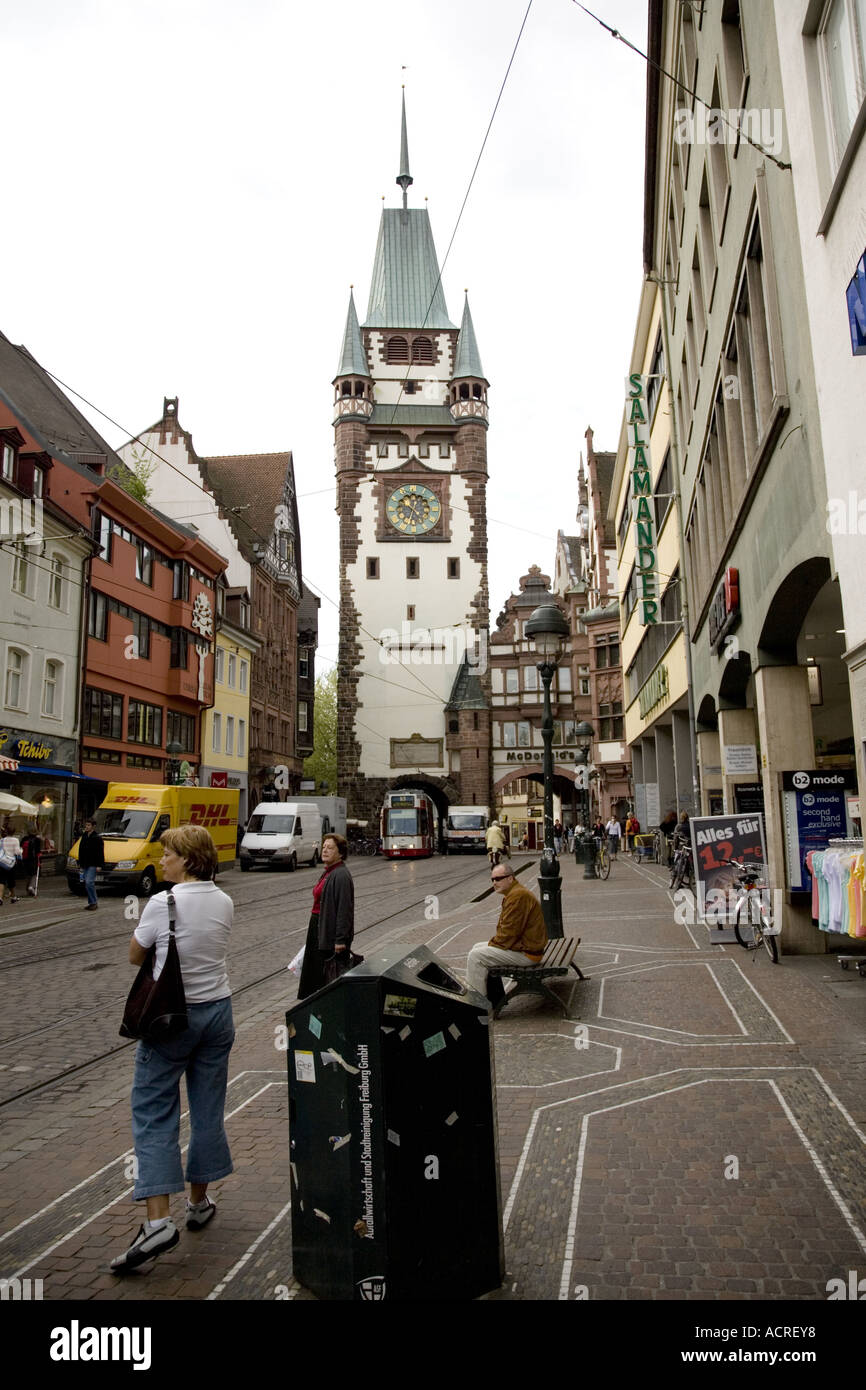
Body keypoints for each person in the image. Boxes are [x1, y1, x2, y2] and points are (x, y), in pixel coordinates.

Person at [111, 826, 235, 1273]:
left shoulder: (163, 903)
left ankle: (158, 1221)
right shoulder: (224, 900)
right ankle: (199, 1203)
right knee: (206, 1109)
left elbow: (134, 955)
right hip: (218, 1013)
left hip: (171, 1020)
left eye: (168, 854)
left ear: (187, 858)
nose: (162, 861)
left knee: (153, 1111)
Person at [466, 865, 547, 1005]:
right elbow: (508, 934)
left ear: (510, 878)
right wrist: (495, 942)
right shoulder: (515, 893)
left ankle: (478, 1005)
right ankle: (496, 998)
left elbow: (508, 934)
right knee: (477, 947)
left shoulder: (518, 896)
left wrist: (494, 943)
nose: (494, 883)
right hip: (525, 948)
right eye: (492, 879)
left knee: (476, 956)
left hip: (528, 954)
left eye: (498, 879)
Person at [297, 833, 354, 1000]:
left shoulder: (341, 875)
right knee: (316, 978)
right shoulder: (328, 872)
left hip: (328, 936)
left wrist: (340, 940)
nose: (325, 850)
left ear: (341, 853)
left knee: (326, 978)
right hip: (319, 931)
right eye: (324, 847)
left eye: (330, 848)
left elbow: (345, 909)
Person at [78, 817, 105, 911]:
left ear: (93, 826)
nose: (87, 827)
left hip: (93, 863)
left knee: (89, 882)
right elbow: (80, 850)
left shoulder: (97, 838)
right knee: (87, 883)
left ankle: (94, 902)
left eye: (89, 825)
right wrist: (80, 863)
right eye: (86, 825)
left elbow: (100, 852)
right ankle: (91, 902)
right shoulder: (84, 836)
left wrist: (100, 865)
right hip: (85, 863)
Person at [0, 823, 22, 905]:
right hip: (10, 864)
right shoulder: (15, 840)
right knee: (11, 881)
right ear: (14, 832)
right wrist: (21, 851)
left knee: (1, 881)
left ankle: (0, 898)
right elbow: (17, 852)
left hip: (1, 862)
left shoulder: (2, 840)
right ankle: (13, 897)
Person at [19, 825, 42, 896]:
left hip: (25, 859)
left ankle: (28, 890)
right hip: (33, 859)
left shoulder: (24, 839)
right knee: (34, 874)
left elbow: (20, 848)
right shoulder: (37, 840)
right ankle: (31, 886)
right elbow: (38, 851)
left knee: (28, 874)